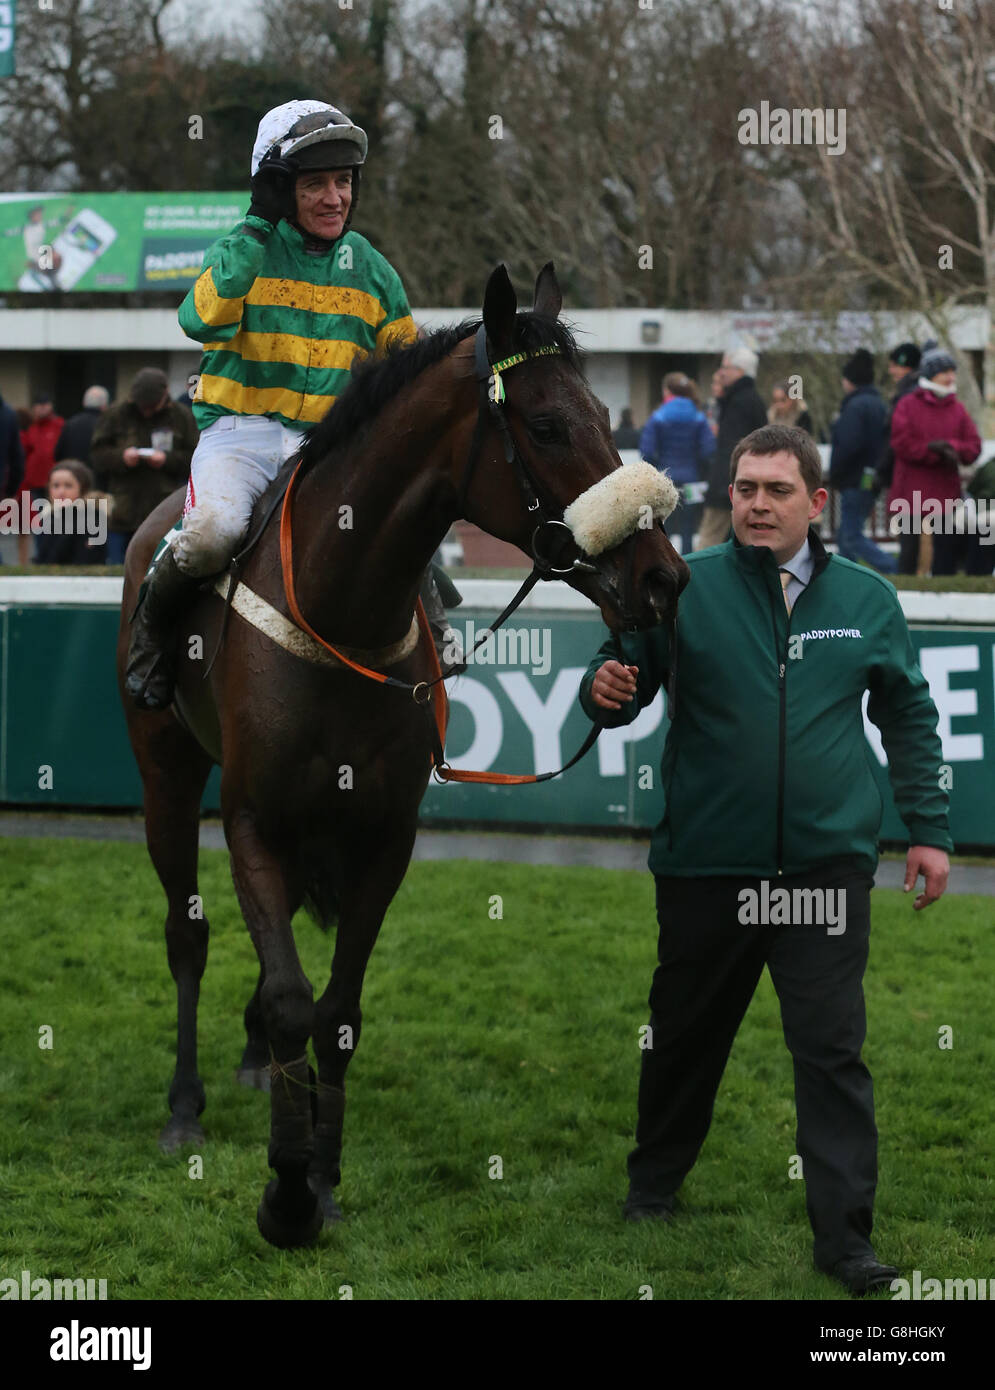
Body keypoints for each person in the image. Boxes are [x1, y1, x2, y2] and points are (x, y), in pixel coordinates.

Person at [579, 422, 951, 1296]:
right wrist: (604, 688)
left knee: (830, 1051)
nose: (754, 503)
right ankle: (652, 1189)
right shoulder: (680, 585)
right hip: (709, 866)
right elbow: (617, 673)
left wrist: (928, 830)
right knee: (683, 1038)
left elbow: (908, 715)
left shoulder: (866, 599)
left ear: (815, 503)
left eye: (775, 491)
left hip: (824, 871)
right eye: (743, 488)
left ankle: (845, 1241)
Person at [124, 98, 428, 711]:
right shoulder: (240, 249)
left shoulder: (372, 270)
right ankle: (150, 636)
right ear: (275, 190)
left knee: (401, 528)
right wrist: (257, 228)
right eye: (314, 184)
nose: (334, 198)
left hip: (328, 448)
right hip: (242, 438)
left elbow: (408, 371)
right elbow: (198, 318)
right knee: (212, 536)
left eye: (343, 182)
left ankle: (435, 632)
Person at [888, 342, 981, 575]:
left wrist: (952, 447)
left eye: (953, 372)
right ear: (931, 374)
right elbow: (901, 444)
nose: (951, 377)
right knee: (909, 555)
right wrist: (934, 451)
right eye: (945, 372)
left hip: (946, 494)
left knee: (945, 556)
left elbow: (973, 447)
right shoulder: (907, 405)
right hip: (911, 493)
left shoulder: (958, 409)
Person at [90, 369, 198, 565]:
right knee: (119, 569)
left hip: (164, 511)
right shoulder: (115, 415)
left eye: (151, 406)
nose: (146, 411)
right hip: (122, 512)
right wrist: (121, 458)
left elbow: (196, 459)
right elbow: (97, 455)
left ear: (165, 395)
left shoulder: (182, 417)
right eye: (142, 406)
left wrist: (167, 460)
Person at [829, 349, 895, 574]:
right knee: (847, 533)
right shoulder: (878, 404)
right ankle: (846, 575)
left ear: (850, 381)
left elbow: (848, 444)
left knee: (851, 535)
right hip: (870, 477)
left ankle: (893, 567)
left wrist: (835, 472)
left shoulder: (855, 407)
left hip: (855, 478)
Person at [696, 348, 767, 550]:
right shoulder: (751, 400)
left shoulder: (739, 402)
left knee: (709, 540)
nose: (721, 372)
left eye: (725, 367)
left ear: (739, 370)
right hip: (742, 485)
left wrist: (721, 486)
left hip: (727, 485)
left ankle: (697, 581)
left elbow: (732, 449)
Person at [639, 373, 714, 554]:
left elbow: (647, 451)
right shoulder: (699, 416)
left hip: (666, 480)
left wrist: (657, 469)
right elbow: (708, 451)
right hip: (692, 480)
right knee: (689, 526)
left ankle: (664, 561)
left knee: (667, 524)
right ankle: (689, 563)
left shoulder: (658, 416)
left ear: (667, 391)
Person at [17, 395, 65, 564]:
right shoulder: (31, 428)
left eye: (44, 405)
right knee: (38, 521)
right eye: (38, 405)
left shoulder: (59, 425)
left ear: (50, 406)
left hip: (54, 484)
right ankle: (41, 555)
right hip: (34, 483)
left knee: (55, 520)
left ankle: (55, 556)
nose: (41, 409)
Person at [33, 460, 108, 565]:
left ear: (83, 488)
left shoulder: (91, 522)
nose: (61, 492)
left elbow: (85, 564)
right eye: (56, 486)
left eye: (68, 486)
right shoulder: (50, 517)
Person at [874, 343, 920, 498]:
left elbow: (894, 437)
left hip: (906, 475)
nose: (890, 371)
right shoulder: (912, 392)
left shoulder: (907, 397)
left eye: (894, 366)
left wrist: (881, 470)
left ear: (906, 367)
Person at [54, 385, 110, 475]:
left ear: (84, 403)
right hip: (99, 479)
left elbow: (58, 454)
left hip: (74, 476)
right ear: (104, 405)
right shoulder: (107, 425)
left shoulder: (70, 424)